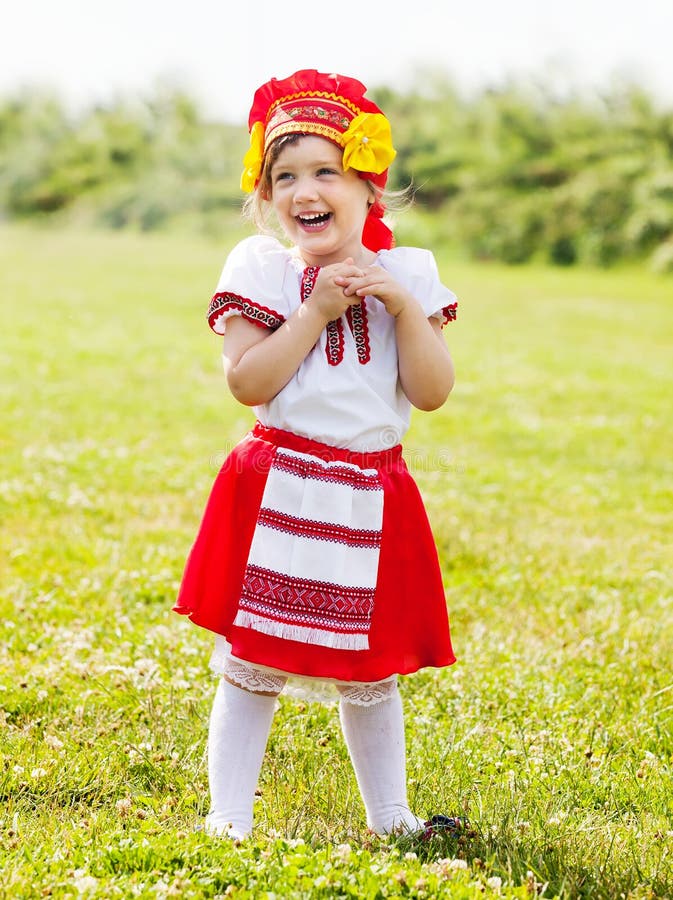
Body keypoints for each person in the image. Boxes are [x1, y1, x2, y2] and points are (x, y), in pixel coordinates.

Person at [173, 69, 459, 841]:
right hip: (280, 485)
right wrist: (313, 311)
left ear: (368, 188)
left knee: (370, 671)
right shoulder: (261, 270)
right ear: (266, 197)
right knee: (253, 662)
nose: (304, 188)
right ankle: (229, 817)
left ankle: (391, 815)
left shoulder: (407, 275)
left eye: (325, 171)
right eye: (284, 175)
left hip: (372, 489)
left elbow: (430, 393)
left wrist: (401, 309)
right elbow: (247, 381)